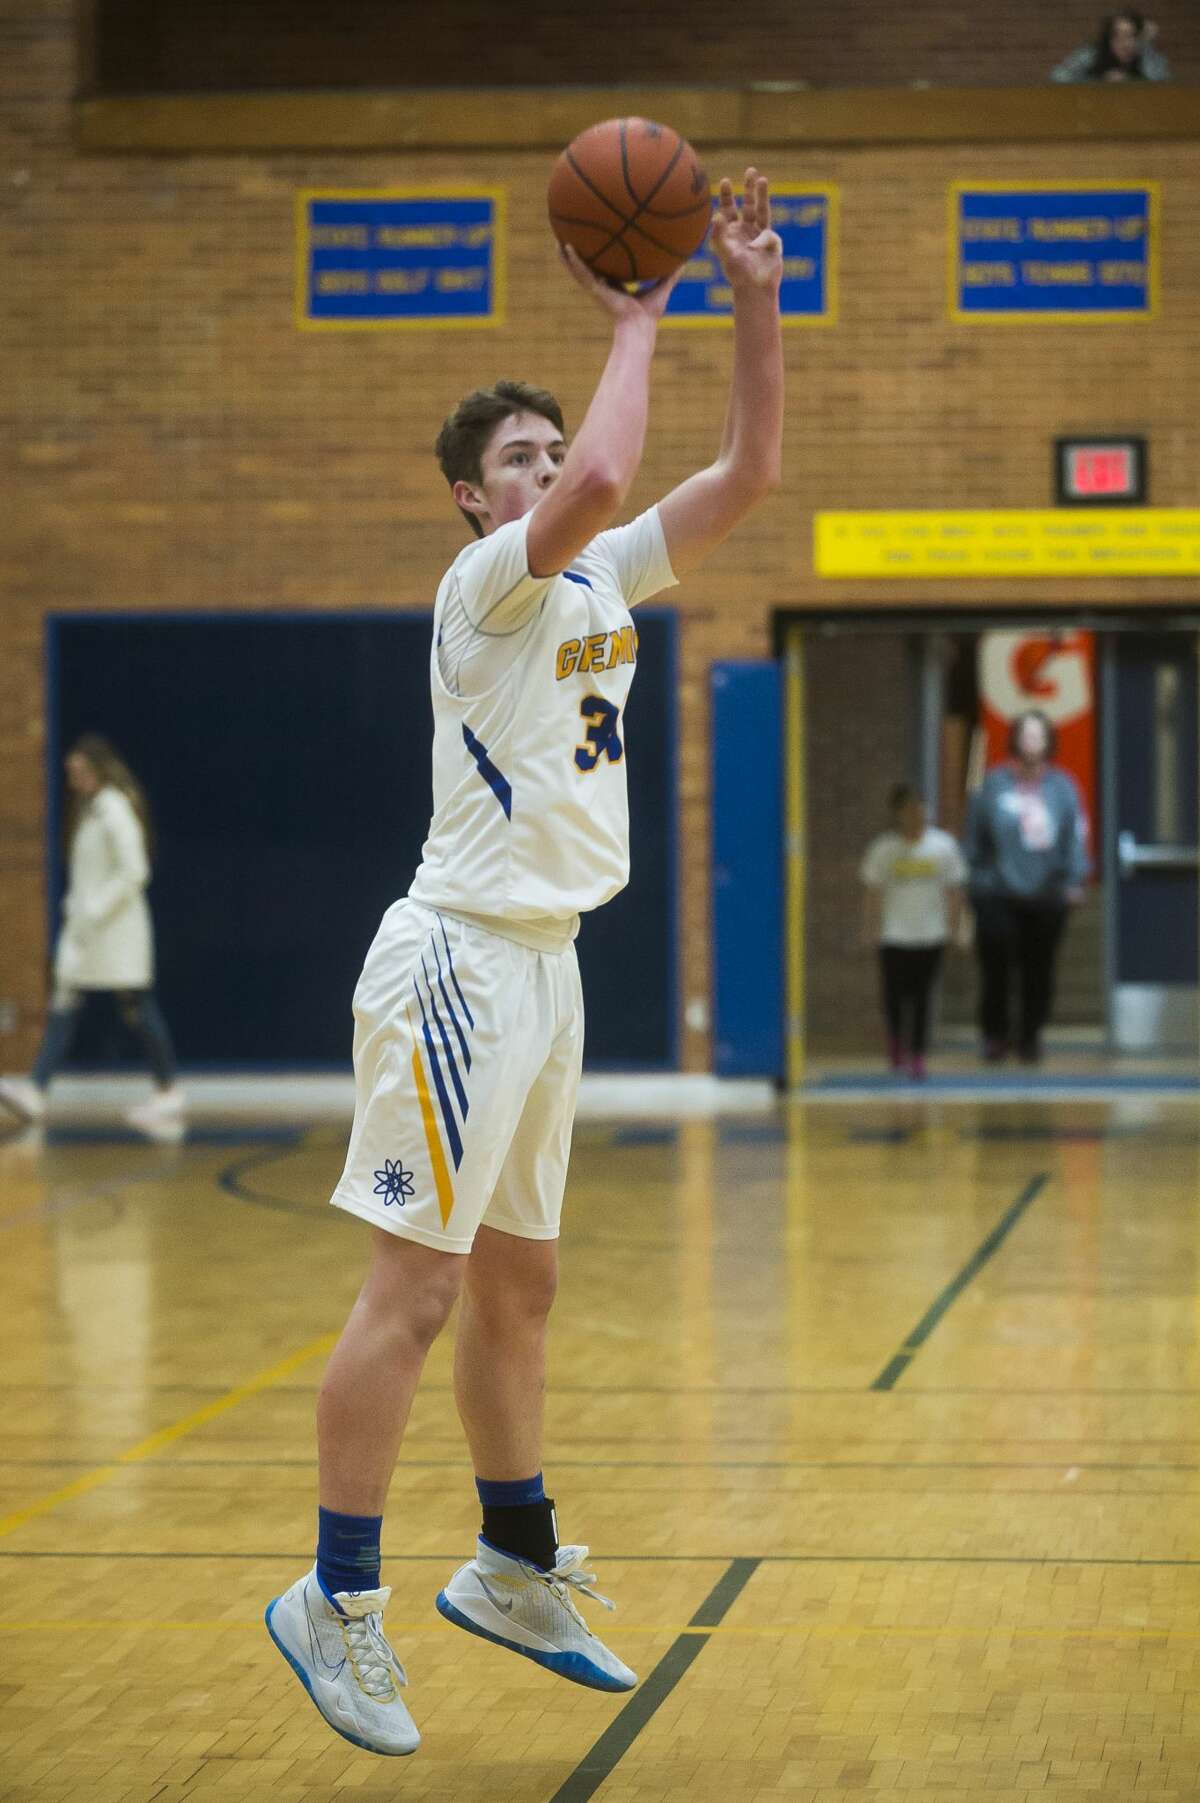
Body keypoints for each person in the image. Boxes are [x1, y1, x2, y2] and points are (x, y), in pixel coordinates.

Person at [264, 170, 784, 1758]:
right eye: (521, 459)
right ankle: (335, 1594)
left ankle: (510, 1557)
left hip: (547, 970)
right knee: (416, 1287)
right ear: (474, 500)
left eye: (555, 452)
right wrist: (639, 313)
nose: (554, 469)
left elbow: (747, 472)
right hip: (456, 965)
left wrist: (754, 297)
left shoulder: (606, 575)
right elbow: (620, 463)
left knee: (519, 1285)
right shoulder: (487, 587)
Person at [0, 735, 185, 1134]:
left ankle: (168, 1091)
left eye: (80, 771)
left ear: (99, 768)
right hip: (88, 932)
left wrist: (95, 909)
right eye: (71, 772)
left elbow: (134, 870)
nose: (74, 779)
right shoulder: (90, 810)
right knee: (65, 1002)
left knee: (137, 1009)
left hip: (116, 931)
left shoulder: (115, 809)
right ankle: (36, 1090)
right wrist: (79, 911)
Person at [964, 709, 1090, 1065]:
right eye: (1026, 734)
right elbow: (973, 837)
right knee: (996, 968)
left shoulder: (1063, 787)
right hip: (996, 892)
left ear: (1049, 741)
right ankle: (995, 1035)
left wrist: (1074, 879)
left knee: (1039, 971)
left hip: (1047, 894)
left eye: (1039, 734)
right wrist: (973, 880)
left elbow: (1075, 837)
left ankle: (1030, 1035)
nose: (1032, 741)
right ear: (1015, 740)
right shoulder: (993, 784)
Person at [860, 784, 967, 1080]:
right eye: (908, 809)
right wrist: (870, 927)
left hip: (930, 933)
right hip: (894, 934)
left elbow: (955, 890)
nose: (916, 814)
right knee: (894, 995)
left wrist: (955, 927)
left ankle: (918, 1053)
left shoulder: (942, 846)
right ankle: (896, 1042)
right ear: (897, 813)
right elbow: (873, 891)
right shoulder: (884, 849)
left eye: (920, 807)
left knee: (922, 996)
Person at [1051, 12, 1171, 81]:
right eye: (1119, 37)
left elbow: (1164, 83)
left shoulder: (1146, 53)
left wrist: (1146, 45)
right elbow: (1057, 77)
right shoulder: (1091, 54)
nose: (1127, 44)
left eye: (1133, 36)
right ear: (1108, 39)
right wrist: (1100, 83)